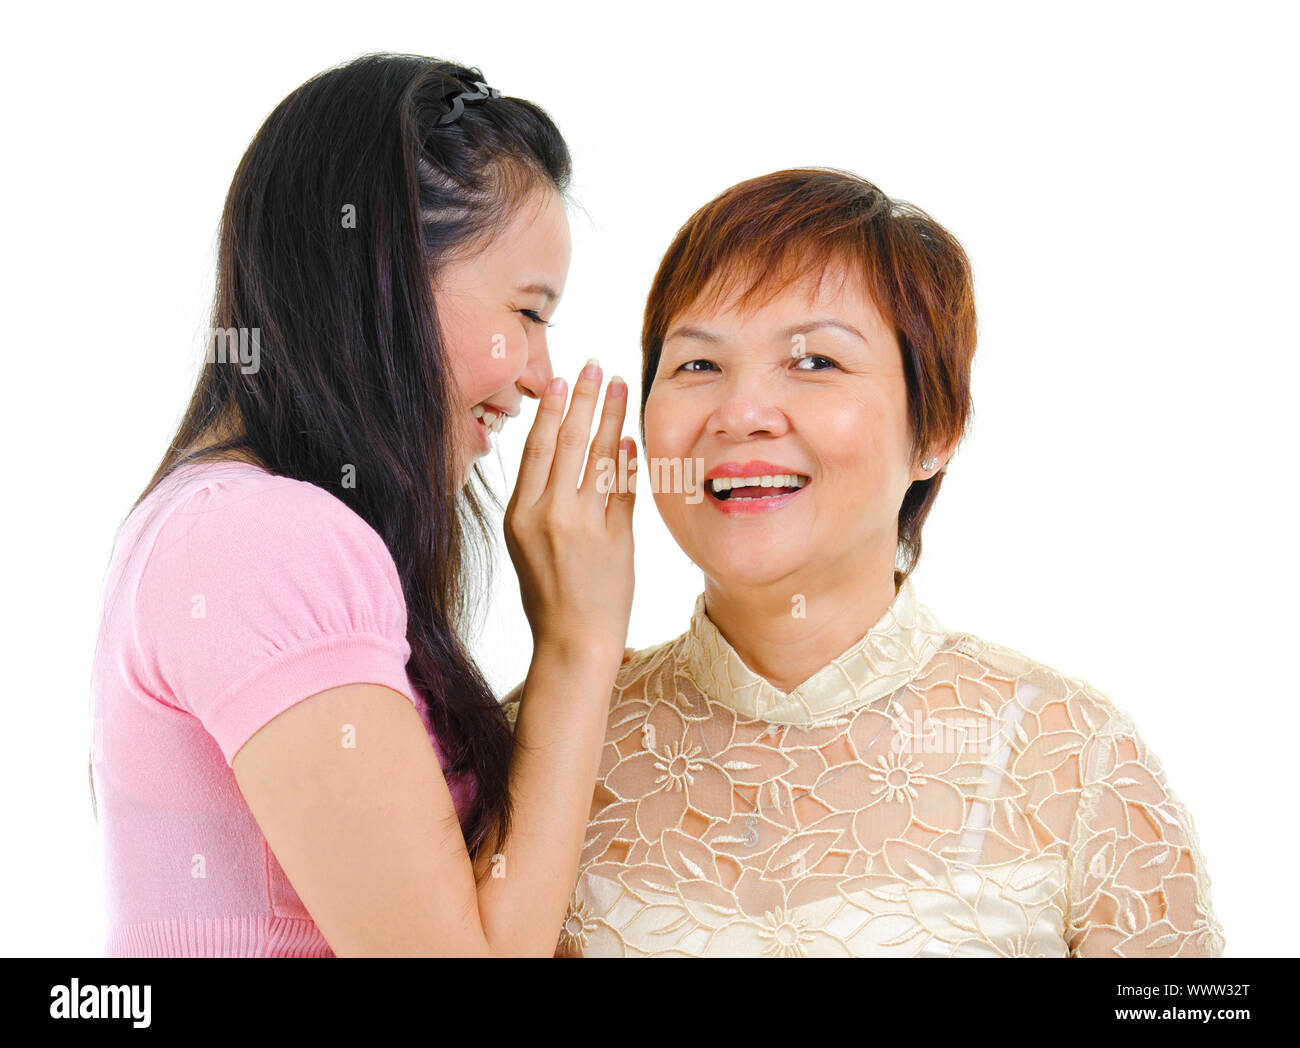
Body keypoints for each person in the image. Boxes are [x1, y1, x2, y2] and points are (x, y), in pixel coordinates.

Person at [522, 168, 1225, 957]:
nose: (742, 414)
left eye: (815, 362)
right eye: (697, 365)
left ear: (937, 430)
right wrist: (569, 650)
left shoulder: (1074, 764)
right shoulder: (540, 736)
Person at [88, 53, 636, 957]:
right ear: (380, 272)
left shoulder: (214, 521)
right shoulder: (264, 538)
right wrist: (579, 644)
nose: (540, 375)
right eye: (529, 313)